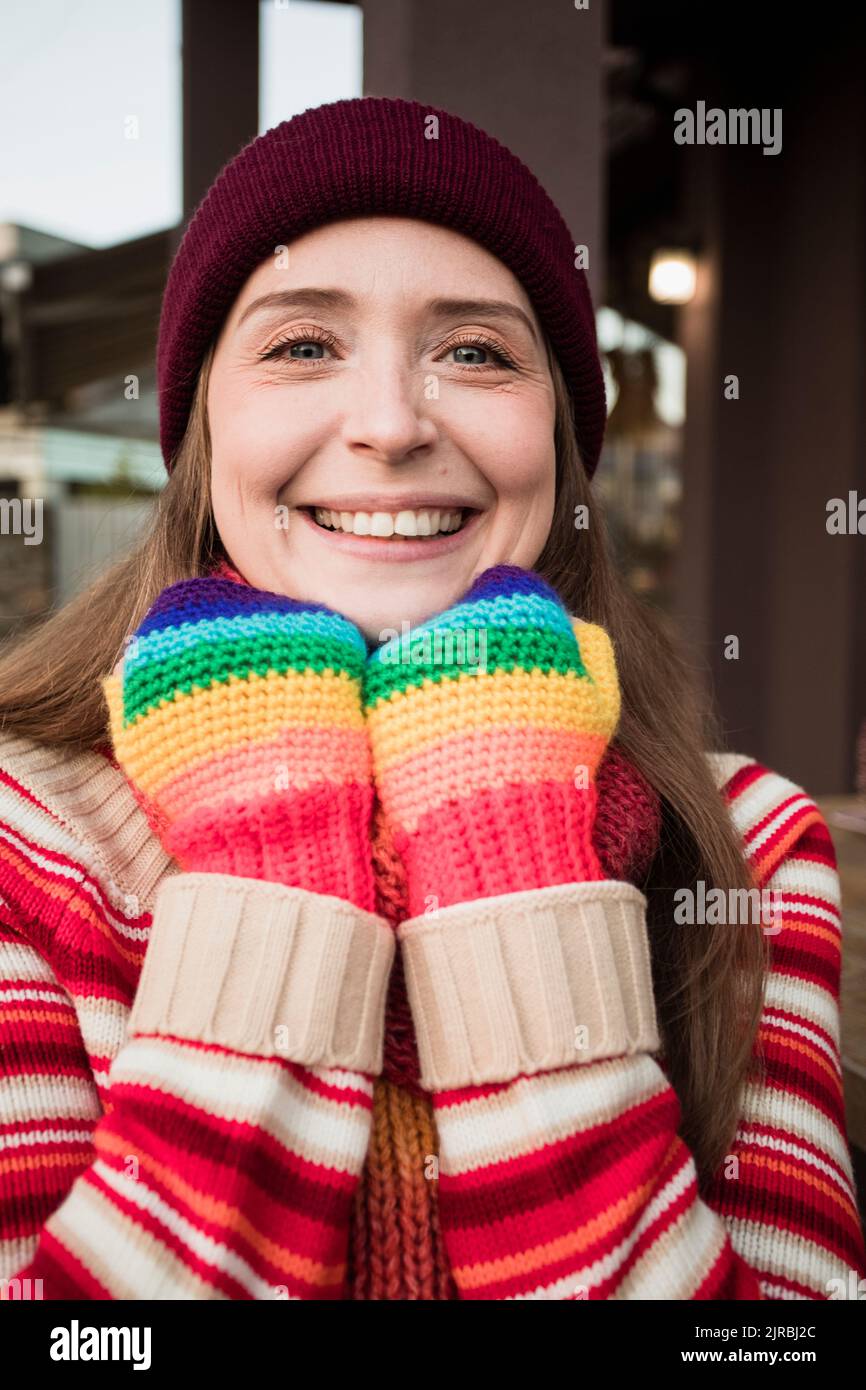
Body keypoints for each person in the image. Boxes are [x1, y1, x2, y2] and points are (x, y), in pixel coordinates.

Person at [0, 96, 863, 1302]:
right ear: (203, 426)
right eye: (302, 345)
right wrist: (278, 853)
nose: (393, 425)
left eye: (475, 351)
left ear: (559, 437)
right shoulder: (24, 838)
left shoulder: (754, 843)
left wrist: (498, 830)